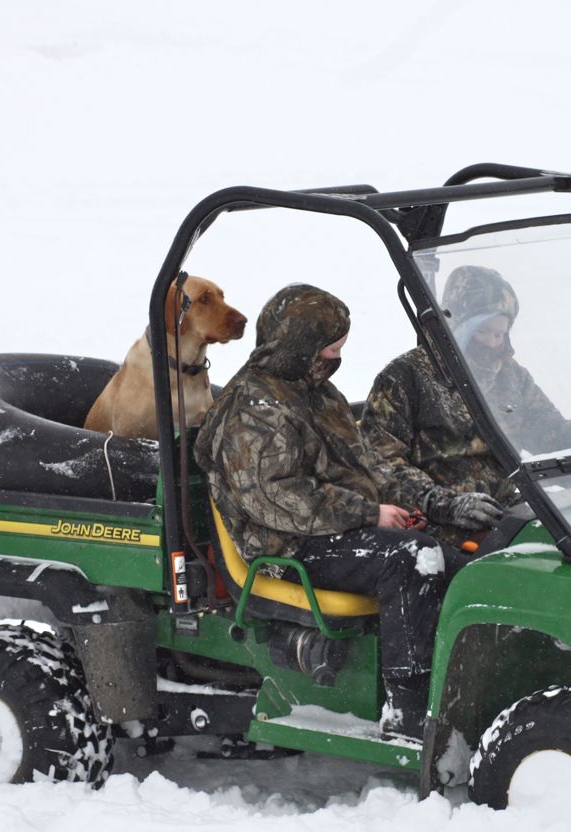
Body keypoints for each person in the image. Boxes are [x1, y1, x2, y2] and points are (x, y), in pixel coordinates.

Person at [194, 283, 487, 740]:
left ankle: (473, 687)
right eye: (330, 348)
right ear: (299, 346)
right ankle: (409, 712)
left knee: (469, 568)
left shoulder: (319, 395)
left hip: (336, 531)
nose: (336, 357)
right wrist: (368, 514)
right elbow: (276, 499)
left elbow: (370, 465)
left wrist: (436, 502)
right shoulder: (254, 408)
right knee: (411, 560)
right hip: (287, 548)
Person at [362, 265, 571, 543]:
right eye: (484, 332)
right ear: (456, 325)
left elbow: (552, 432)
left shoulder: (511, 376)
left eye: (500, 333)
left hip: (504, 511)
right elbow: (382, 461)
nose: (493, 343)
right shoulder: (406, 376)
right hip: (436, 522)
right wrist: (441, 503)